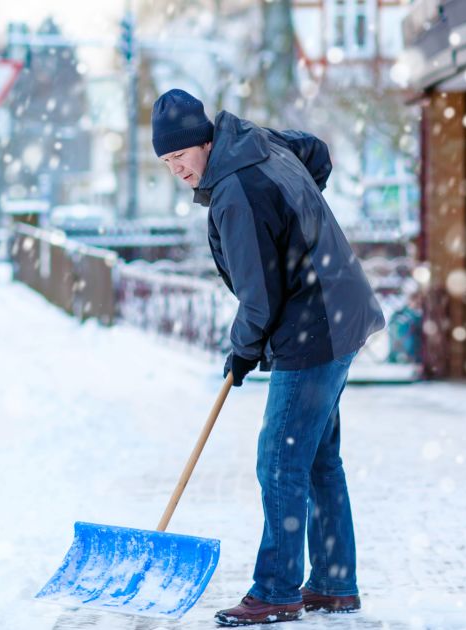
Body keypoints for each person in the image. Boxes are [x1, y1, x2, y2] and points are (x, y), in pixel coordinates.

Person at [151, 89, 385, 626]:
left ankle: (278, 589)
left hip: (315, 325)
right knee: (318, 457)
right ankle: (332, 581)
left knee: (279, 460)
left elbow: (259, 296)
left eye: (181, 155)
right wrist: (300, 225)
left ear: (203, 140)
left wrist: (241, 350)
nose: (177, 169)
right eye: (167, 162)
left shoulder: (233, 190)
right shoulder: (256, 143)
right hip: (339, 308)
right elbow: (317, 152)